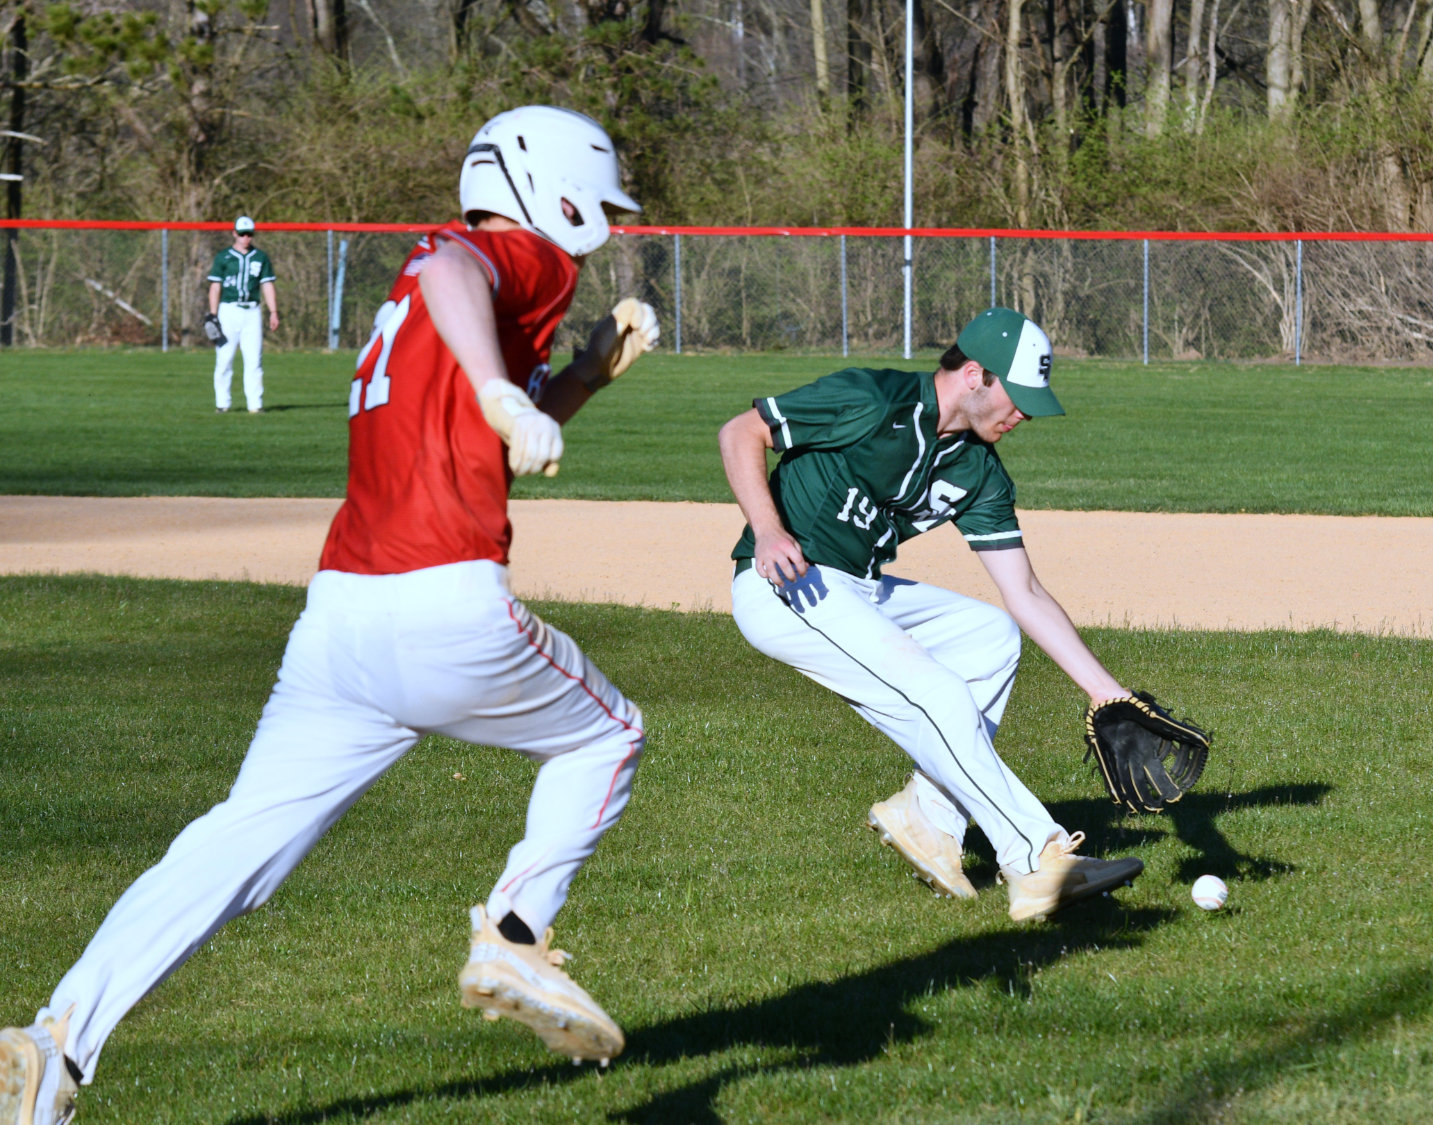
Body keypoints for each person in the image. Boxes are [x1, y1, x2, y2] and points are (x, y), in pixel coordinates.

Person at [0, 104, 660, 1125]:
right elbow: (453, 268)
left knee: (234, 849)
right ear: (555, 185)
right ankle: (516, 933)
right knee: (609, 736)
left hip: (339, 624)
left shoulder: (443, 310)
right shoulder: (508, 255)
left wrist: (569, 381)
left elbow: (482, 414)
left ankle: (54, 1042)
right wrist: (503, 387)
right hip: (443, 607)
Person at [718, 307, 1144, 924]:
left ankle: (930, 816)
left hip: (858, 587)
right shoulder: (872, 398)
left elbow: (1023, 591)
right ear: (974, 375)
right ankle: (1035, 861)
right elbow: (741, 432)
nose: (1023, 413)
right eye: (1016, 396)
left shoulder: (977, 470)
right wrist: (766, 528)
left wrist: (1107, 693)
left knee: (990, 634)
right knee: (936, 694)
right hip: (790, 584)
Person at [207, 215, 280, 413]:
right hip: (228, 310)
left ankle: (255, 405)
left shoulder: (260, 257)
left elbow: (267, 284)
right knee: (224, 359)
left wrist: (273, 312)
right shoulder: (223, 257)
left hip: (252, 311)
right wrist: (213, 315)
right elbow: (215, 286)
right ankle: (222, 404)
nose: (246, 238)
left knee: (254, 360)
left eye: (249, 234)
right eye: (242, 234)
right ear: (234, 233)